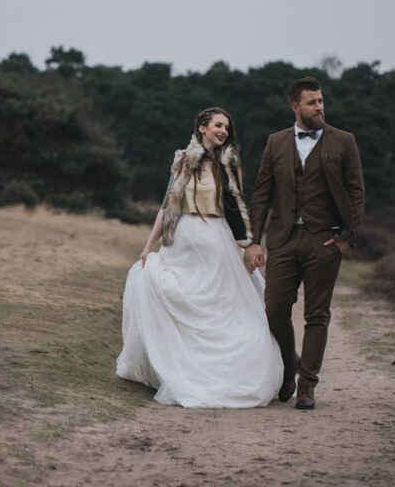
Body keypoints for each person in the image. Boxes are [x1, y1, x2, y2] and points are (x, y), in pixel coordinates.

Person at [116, 107, 283, 408]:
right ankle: (175, 365)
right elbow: (167, 207)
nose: (223, 131)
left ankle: (226, 373)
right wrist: (147, 246)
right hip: (180, 242)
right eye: (218, 125)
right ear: (202, 127)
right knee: (156, 282)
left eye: (227, 127)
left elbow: (237, 209)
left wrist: (249, 244)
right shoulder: (182, 159)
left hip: (216, 242)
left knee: (222, 307)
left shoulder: (229, 164)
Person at [244, 76, 365, 410]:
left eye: (321, 101)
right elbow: (262, 195)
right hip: (282, 239)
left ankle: (307, 385)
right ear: (295, 106)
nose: (319, 107)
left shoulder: (344, 141)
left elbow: (356, 192)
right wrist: (254, 240)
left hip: (324, 241)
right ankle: (288, 366)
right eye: (312, 102)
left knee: (317, 314)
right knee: (274, 310)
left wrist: (345, 240)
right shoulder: (275, 143)